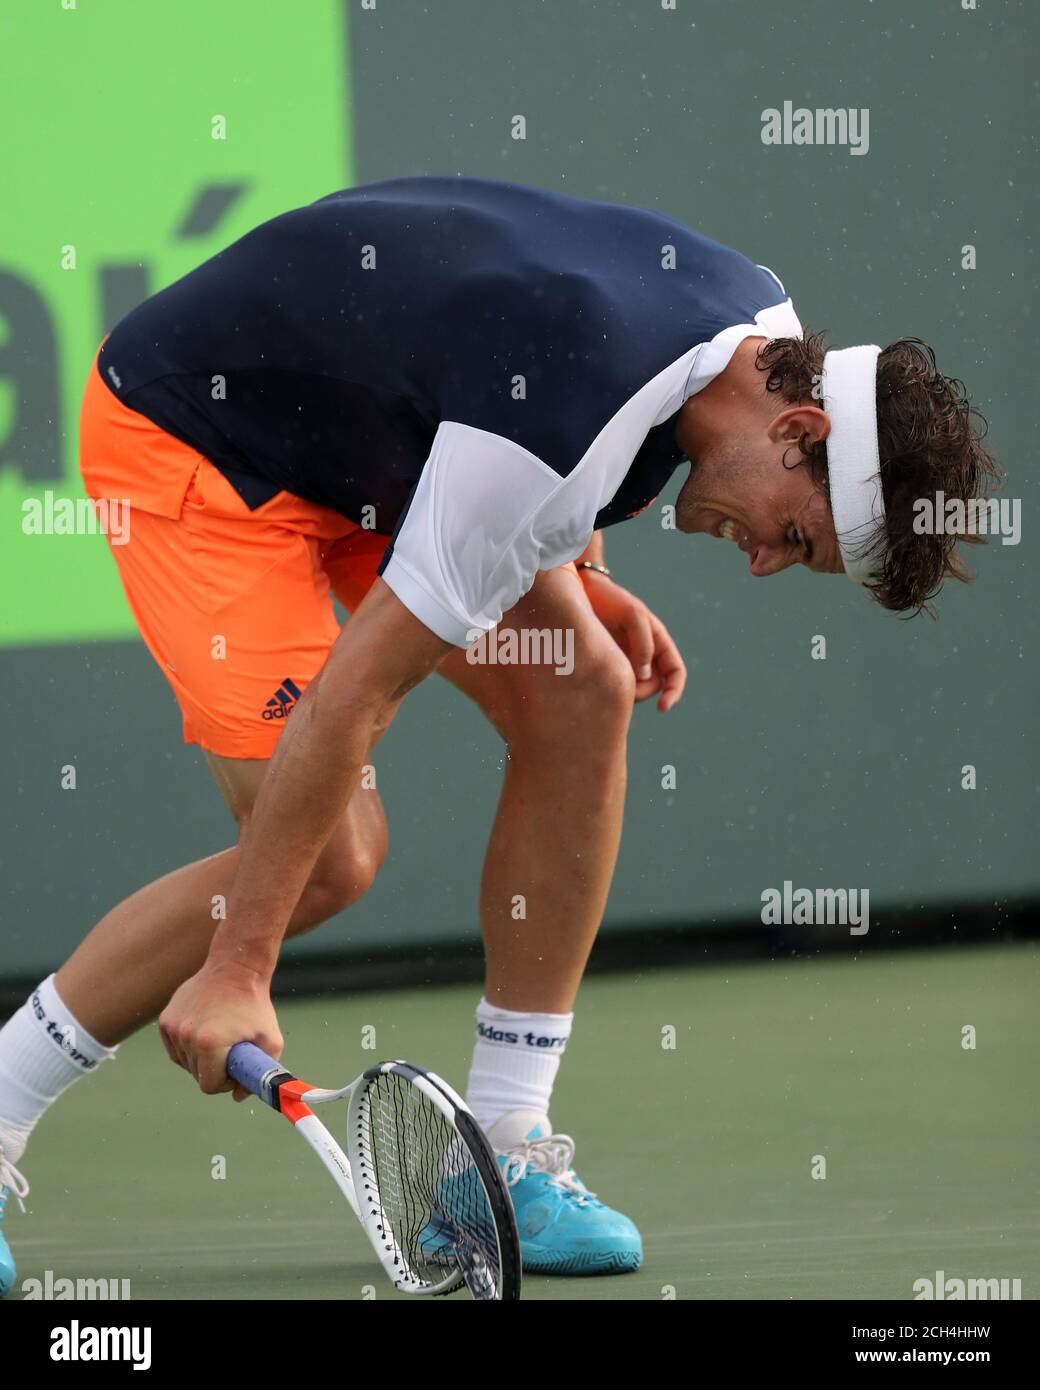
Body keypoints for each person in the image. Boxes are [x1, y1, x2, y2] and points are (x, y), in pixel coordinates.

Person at [0, 176, 999, 1294]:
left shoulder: (757, 329)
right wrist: (240, 965)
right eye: (790, 537)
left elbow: (529, 377)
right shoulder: (552, 430)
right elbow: (355, 695)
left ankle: (502, 1153)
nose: (759, 561)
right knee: (328, 856)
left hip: (384, 451)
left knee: (582, 690)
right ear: (798, 428)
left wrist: (579, 569)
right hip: (201, 443)